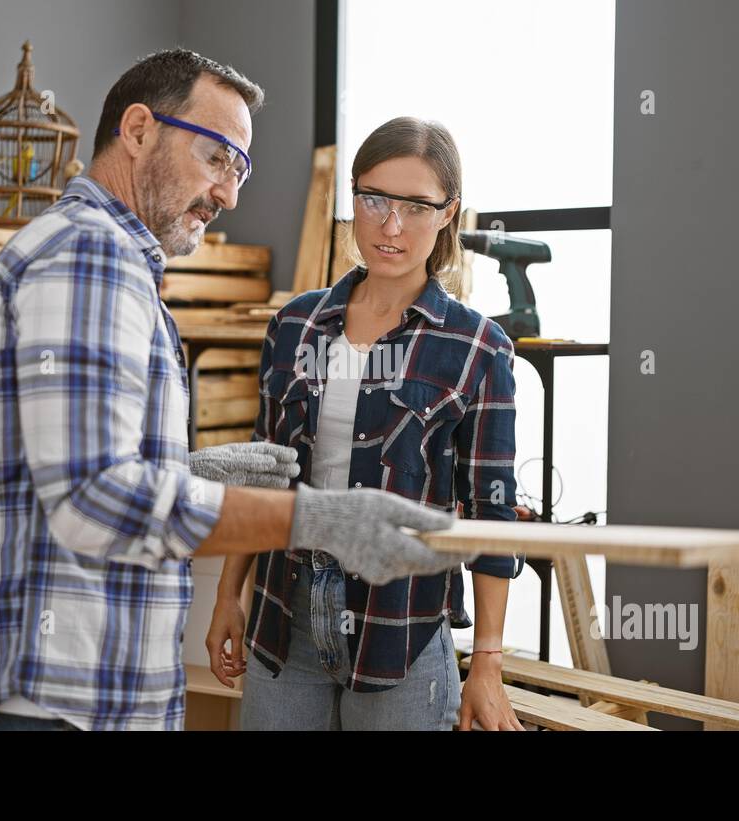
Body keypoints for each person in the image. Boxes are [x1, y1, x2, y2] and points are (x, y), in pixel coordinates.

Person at [0, 50, 461, 732]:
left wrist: (184, 472)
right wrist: (316, 519)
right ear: (139, 130)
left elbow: (56, 477)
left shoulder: (95, 256)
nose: (229, 193)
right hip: (48, 705)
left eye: (240, 168)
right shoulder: (90, 258)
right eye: (217, 157)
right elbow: (94, 497)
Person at [206, 117, 526, 731]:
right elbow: (261, 476)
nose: (391, 225)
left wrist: (486, 664)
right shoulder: (295, 326)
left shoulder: (478, 348)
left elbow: (492, 515)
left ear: (448, 213)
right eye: (374, 199)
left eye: (415, 205)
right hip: (284, 618)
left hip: (400, 625)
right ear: (351, 199)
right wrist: (228, 595)